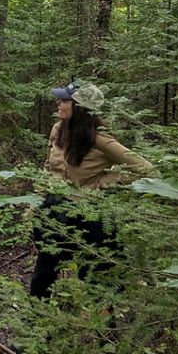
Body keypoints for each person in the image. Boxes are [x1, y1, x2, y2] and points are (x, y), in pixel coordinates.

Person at [28, 80, 159, 298]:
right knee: (43, 275)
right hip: (54, 212)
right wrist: (39, 199)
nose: (58, 104)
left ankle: (105, 328)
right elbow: (49, 166)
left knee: (97, 279)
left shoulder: (101, 141)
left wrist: (104, 182)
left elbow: (148, 171)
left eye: (64, 101)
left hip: (90, 217)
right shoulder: (58, 130)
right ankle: (36, 325)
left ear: (79, 108)